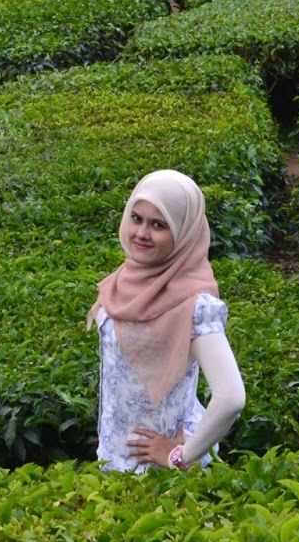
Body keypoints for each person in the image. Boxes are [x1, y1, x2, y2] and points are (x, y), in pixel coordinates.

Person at [86, 170, 245, 473]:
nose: (141, 233)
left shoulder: (194, 305)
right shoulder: (124, 281)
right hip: (113, 464)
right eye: (136, 218)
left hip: (159, 477)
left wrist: (182, 455)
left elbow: (231, 398)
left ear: (184, 232)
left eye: (158, 225)